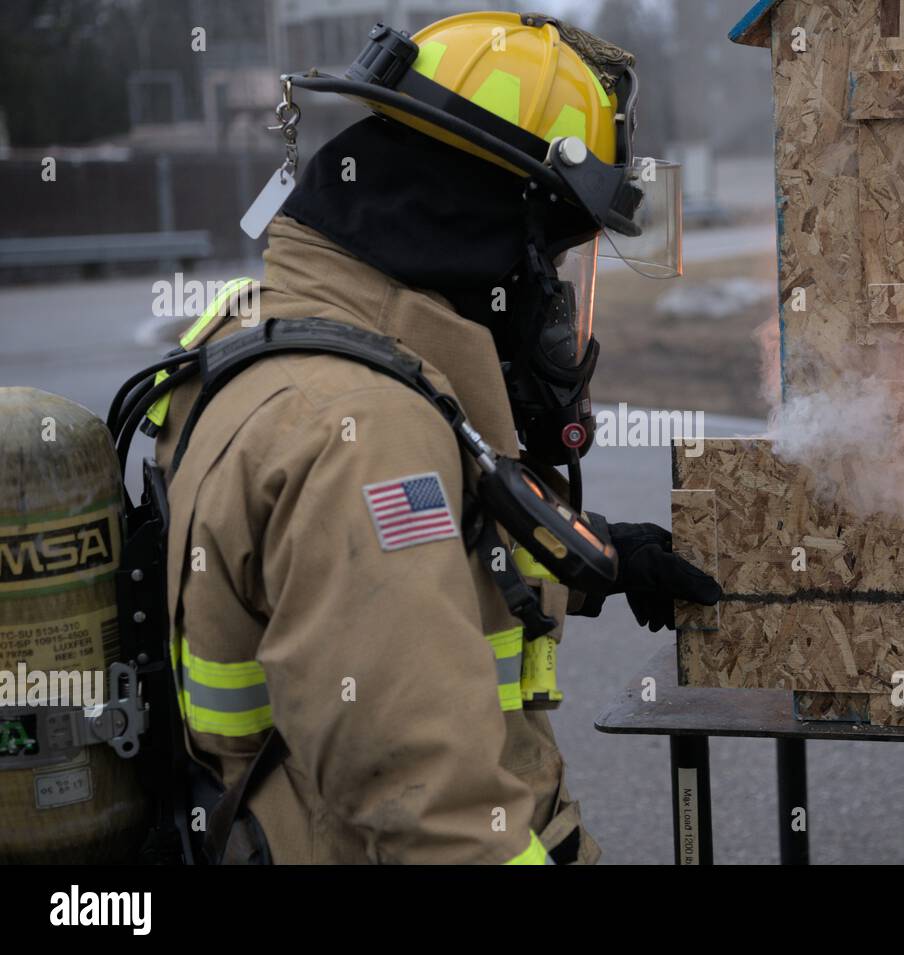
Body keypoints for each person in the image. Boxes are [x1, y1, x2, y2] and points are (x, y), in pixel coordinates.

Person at [152, 12, 720, 864]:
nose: (554, 299)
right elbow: (434, 819)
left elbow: (386, 581)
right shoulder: (362, 436)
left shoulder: (270, 335)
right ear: (491, 229)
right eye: (552, 259)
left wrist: (594, 556)